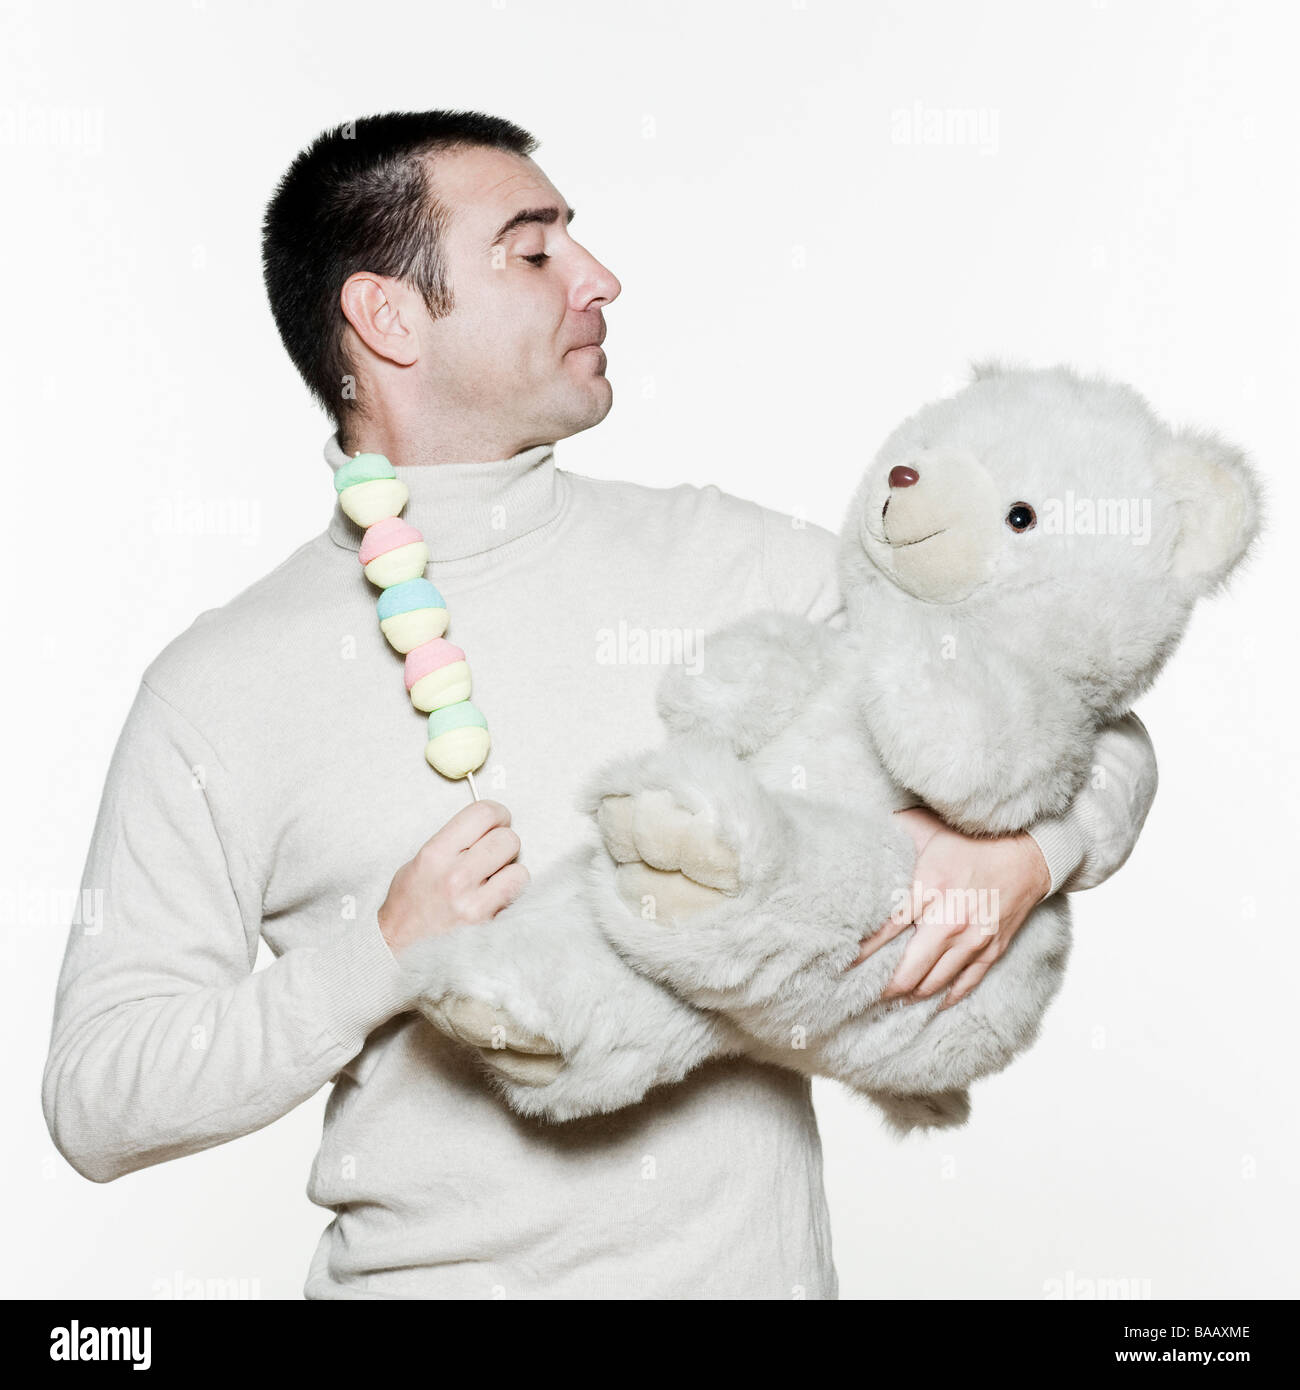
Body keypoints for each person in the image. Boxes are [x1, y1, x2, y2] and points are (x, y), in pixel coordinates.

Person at [42, 111, 1157, 1299]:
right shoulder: (220, 684)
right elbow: (98, 1095)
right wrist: (376, 956)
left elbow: (1086, 718)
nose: (599, 278)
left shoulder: (729, 561)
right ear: (387, 318)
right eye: (533, 251)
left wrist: (1026, 855)